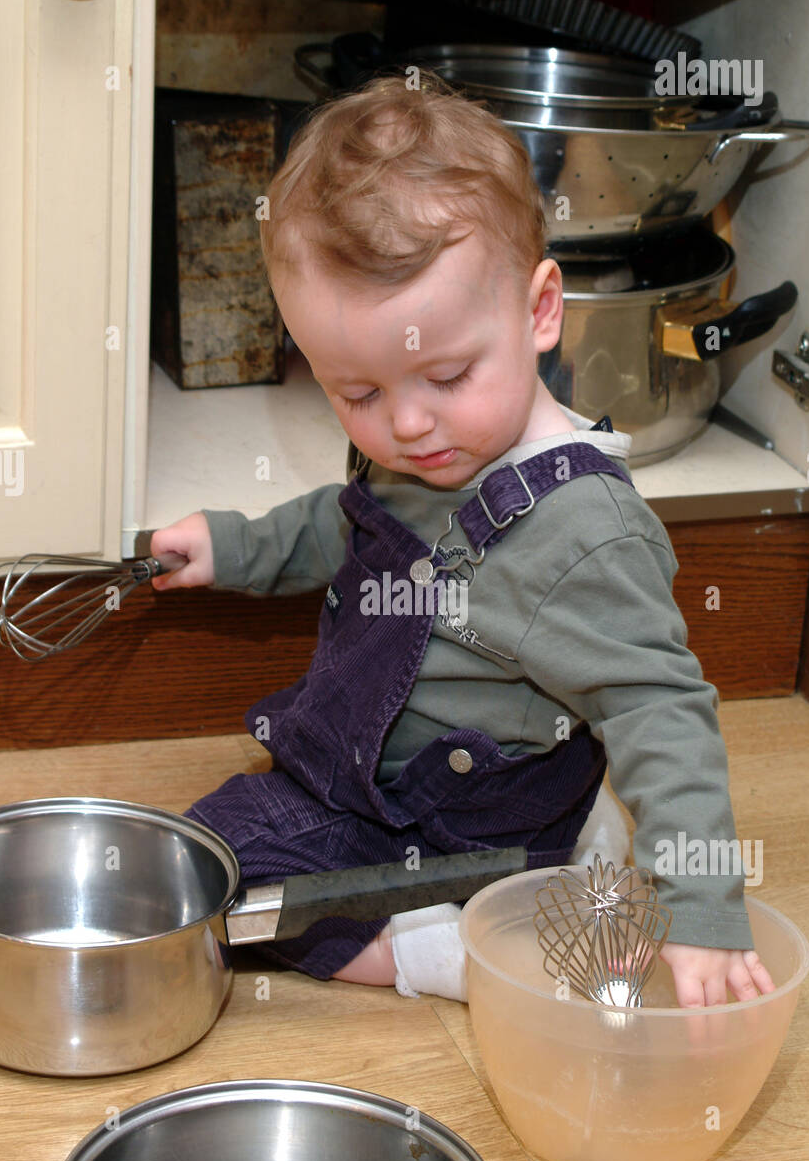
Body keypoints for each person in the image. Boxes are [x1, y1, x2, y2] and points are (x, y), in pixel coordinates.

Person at [150, 70, 775, 1010]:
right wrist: (232, 546)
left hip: (462, 822)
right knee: (200, 859)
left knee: (228, 893)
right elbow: (349, 527)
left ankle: (449, 952)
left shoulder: (581, 534)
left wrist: (706, 910)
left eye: (446, 374)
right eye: (357, 393)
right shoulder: (438, 445)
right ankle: (498, 904)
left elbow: (663, 714)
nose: (408, 427)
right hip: (370, 783)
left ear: (538, 313)